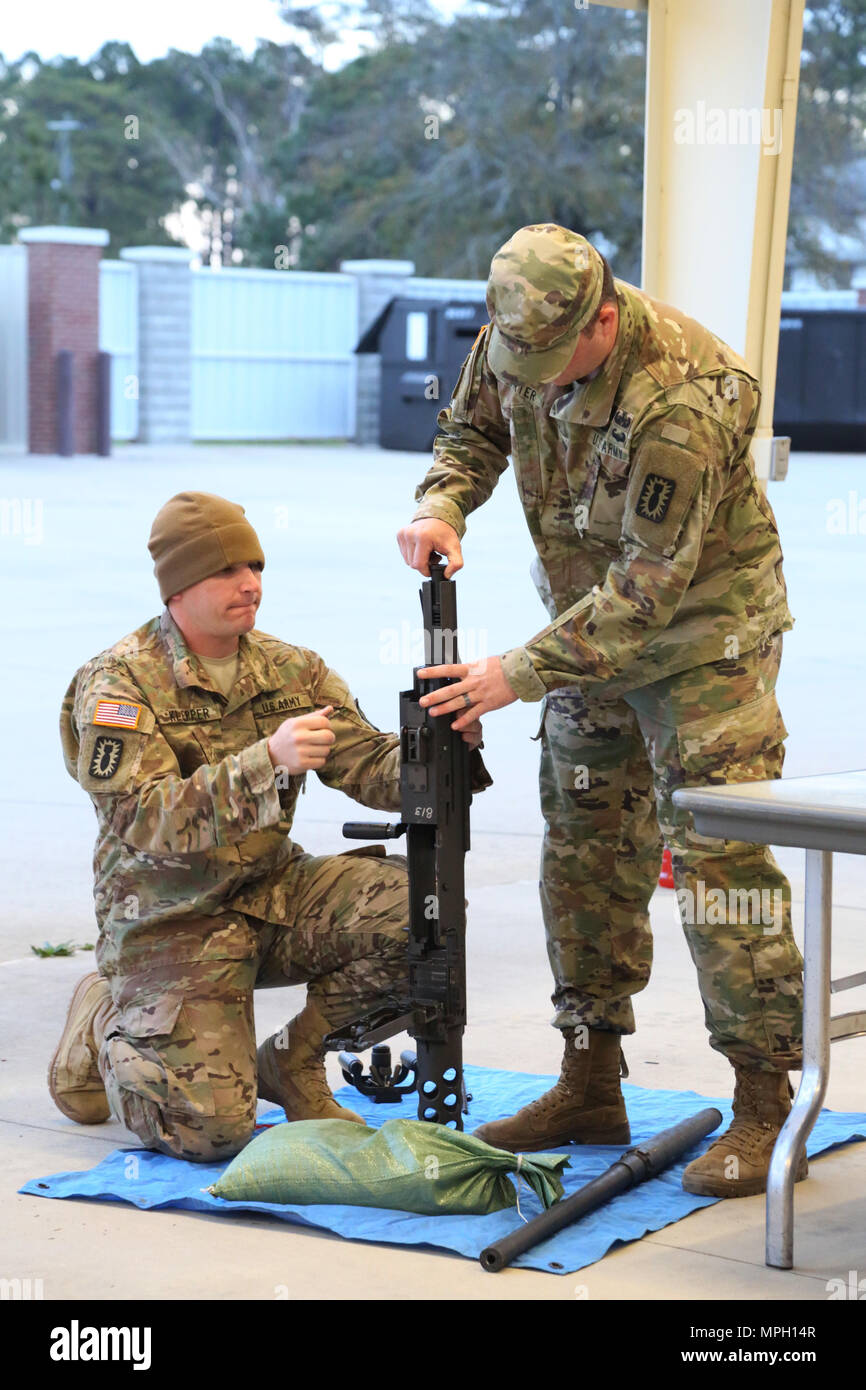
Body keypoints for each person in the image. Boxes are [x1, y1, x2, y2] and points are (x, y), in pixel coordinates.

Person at [396, 223, 804, 1198]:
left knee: (715, 856)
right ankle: (587, 1077)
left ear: (603, 321)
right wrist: (441, 502)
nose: (527, 381)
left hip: (702, 641)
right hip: (580, 633)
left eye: (547, 366)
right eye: (513, 364)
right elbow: (471, 428)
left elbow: (644, 598)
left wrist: (511, 674)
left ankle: (762, 1098)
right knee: (582, 844)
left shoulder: (682, 401)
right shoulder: (520, 331)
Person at [50, 491, 488, 1163]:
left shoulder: (290, 669)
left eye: (254, 566)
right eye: (224, 571)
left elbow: (366, 763)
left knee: (424, 911)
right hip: (170, 919)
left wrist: (439, 752)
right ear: (177, 587)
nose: (248, 583)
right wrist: (266, 762)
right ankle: (108, 1012)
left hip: (269, 892)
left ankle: (293, 1060)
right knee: (211, 1132)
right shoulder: (118, 686)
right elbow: (143, 816)